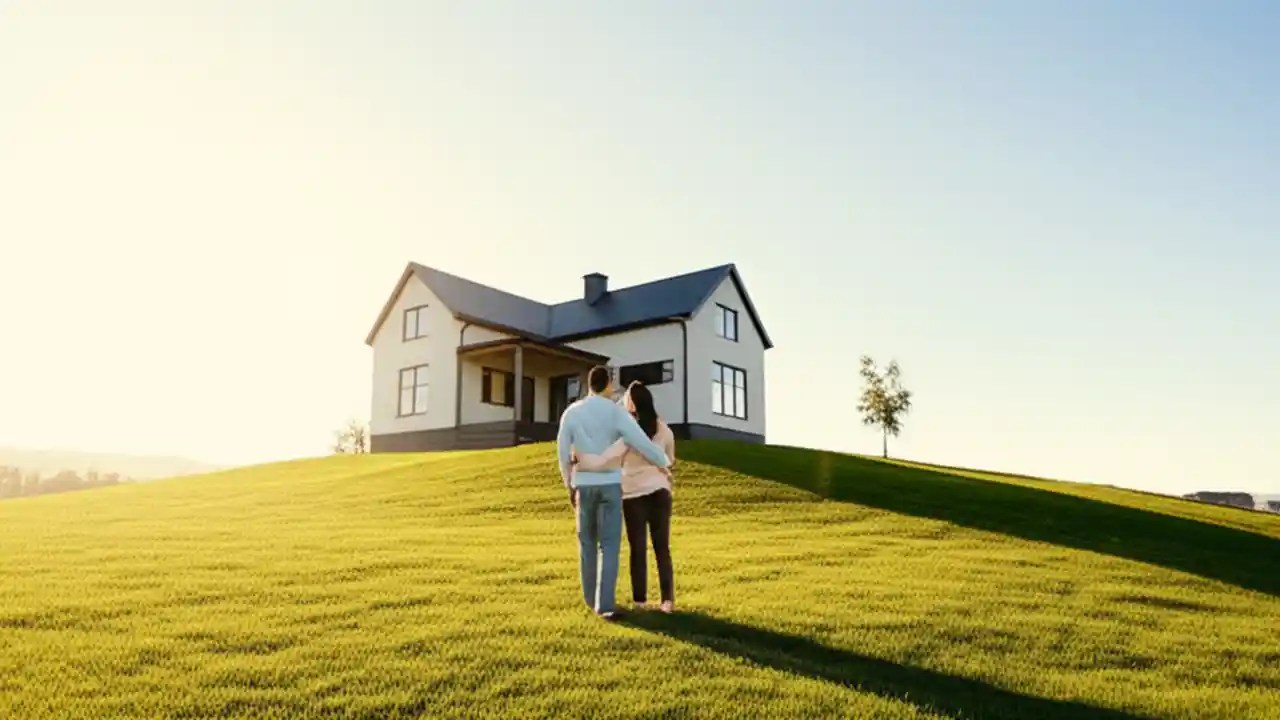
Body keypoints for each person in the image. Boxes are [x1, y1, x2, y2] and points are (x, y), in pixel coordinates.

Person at [557, 366, 670, 620]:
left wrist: (569, 484)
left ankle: (589, 599)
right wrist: (662, 460)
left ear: (589, 385)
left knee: (586, 542)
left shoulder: (572, 413)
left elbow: (563, 453)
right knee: (608, 545)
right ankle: (605, 605)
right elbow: (641, 441)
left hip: (583, 485)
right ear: (608, 384)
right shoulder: (617, 414)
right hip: (609, 485)